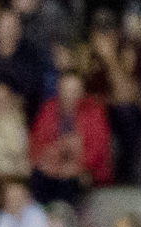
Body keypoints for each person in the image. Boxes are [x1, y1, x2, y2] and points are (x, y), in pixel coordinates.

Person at [82, 9, 141, 185]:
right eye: (100, 31)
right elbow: (76, 94)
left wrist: (111, 59)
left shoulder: (127, 52)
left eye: (109, 30)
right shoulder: (83, 54)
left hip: (120, 113)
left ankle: (126, 178)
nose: (105, 36)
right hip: (92, 111)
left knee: (126, 113)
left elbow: (126, 96)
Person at [28, 72, 112, 209]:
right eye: (66, 90)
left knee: (67, 184)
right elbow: (38, 142)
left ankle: (63, 220)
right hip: (53, 166)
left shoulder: (93, 111)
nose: (69, 94)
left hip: (84, 170)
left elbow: (98, 149)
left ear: (82, 91)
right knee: (39, 178)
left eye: (74, 90)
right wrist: (56, 160)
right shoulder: (48, 109)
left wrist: (77, 166)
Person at [0, 11, 47, 114]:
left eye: (12, 27)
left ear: (19, 31)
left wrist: (5, 96)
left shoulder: (29, 56)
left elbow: (31, 93)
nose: (8, 31)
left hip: (16, 111)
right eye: (4, 26)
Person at [9, 0, 72, 69]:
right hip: (26, 62)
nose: (28, 0)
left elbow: (64, 46)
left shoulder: (52, 12)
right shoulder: (12, 17)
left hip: (49, 63)